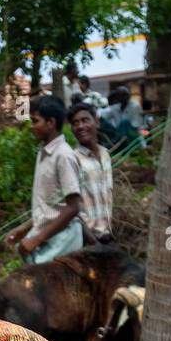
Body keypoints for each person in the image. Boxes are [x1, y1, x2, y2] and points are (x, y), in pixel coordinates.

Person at [6, 94, 82, 262]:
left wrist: (37, 239)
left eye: (35, 121)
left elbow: (72, 208)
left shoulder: (63, 156)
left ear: (51, 123)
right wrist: (24, 230)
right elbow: (49, 207)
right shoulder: (44, 152)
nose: (31, 126)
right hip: (47, 237)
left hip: (61, 241)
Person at [68, 101, 113, 243]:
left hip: (106, 235)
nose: (80, 126)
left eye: (85, 120)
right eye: (75, 123)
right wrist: (93, 242)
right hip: (86, 240)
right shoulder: (72, 159)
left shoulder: (105, 154)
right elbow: (71, 209)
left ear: (97, 123)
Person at [99, 86, 144, 151]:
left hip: (132, 134)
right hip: (118, 135)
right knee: (101, 122)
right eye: (120, 95)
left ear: (128, 96)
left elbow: (136, 126)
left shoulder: (135, 107)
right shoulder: (115, 107)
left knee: (124, 123)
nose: (123, 98)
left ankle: (120, 146)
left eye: (124, 95)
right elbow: (102, 114)